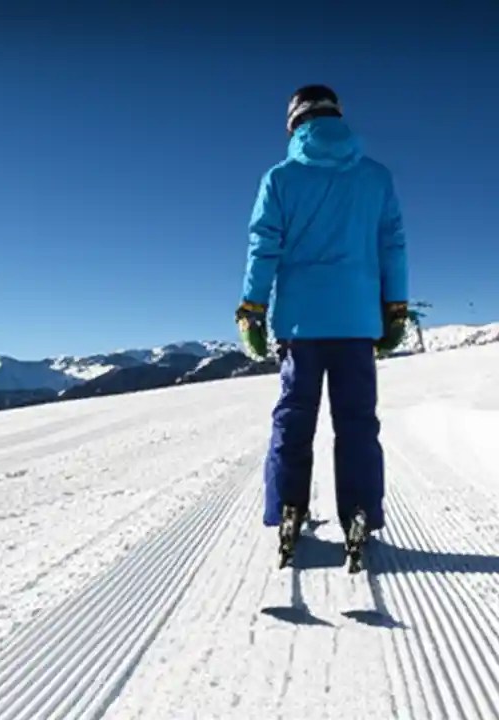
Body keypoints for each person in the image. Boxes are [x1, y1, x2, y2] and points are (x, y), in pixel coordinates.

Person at [234, 84, 409, 568]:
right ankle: (359, 511)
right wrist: (395, 308)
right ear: (337, 116)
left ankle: (289, 506)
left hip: (300, 323)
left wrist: (252, 307)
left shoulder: (280, 178)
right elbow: (393, 245)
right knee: (356, 421)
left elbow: (263, 245)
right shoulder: (376, 178)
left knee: (294, 417)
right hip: (356, 324)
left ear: (294, 122)